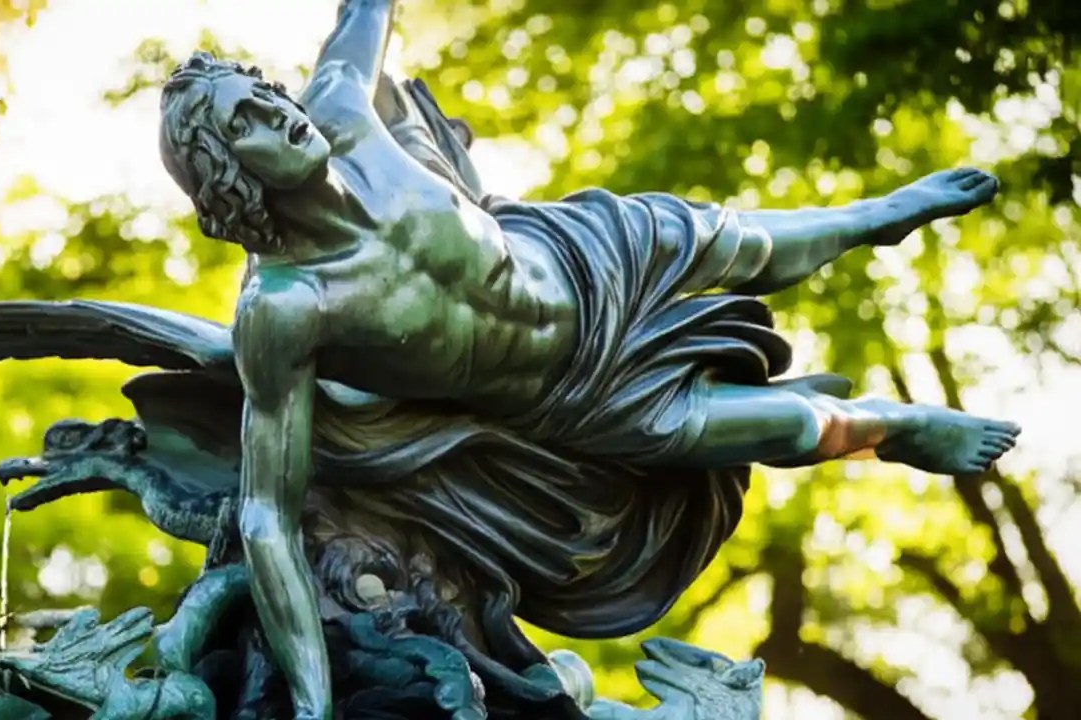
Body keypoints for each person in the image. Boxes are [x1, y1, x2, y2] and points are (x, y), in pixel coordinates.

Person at [157, 1, 1019, 717]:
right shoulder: (285, 308)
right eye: (243, 123)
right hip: (562, 399)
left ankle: (877, 216)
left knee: (754, 244)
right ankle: (898, 427)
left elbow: (363, 11)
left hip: (587, 257)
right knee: (793, 429)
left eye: (260, 93)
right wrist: (312, 703)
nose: (274, 113)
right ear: (227, 176)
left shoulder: (342, 107)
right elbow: (266, 517)